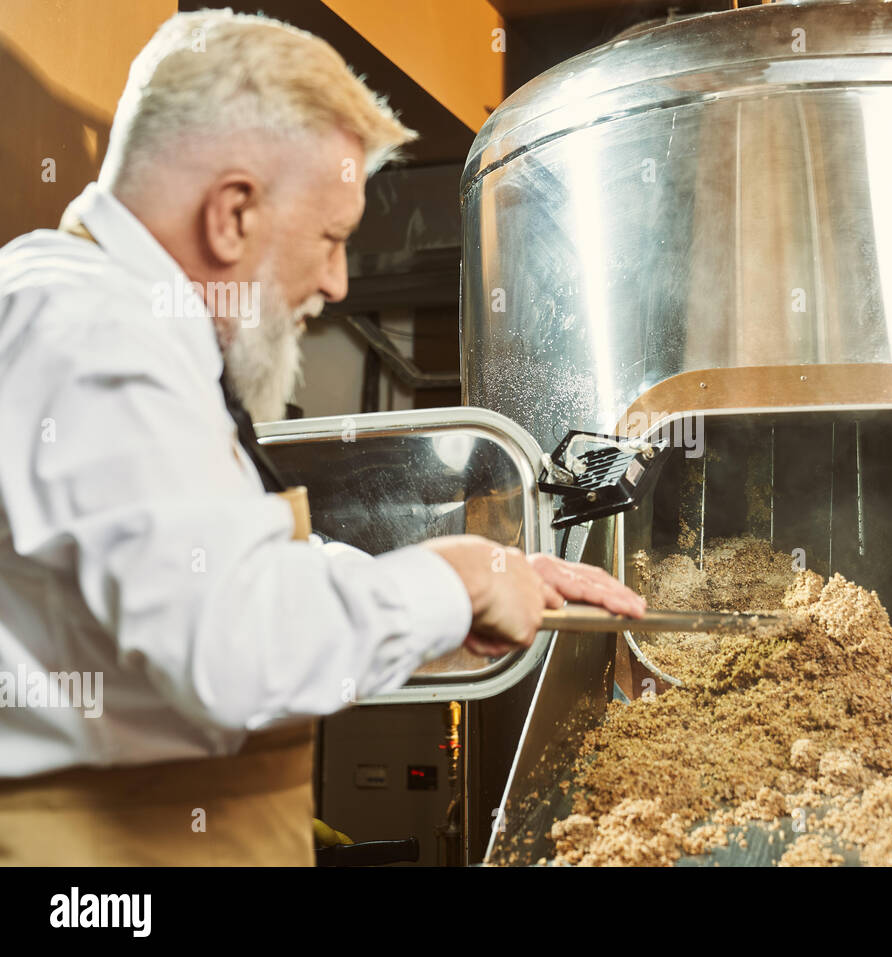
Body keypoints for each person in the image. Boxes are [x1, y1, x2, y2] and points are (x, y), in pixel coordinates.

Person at [0, 8, 644, 865]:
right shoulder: (87, 330)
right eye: (333, 237)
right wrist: (450, 582)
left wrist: (486, 582)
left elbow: (226, 573)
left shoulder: (131, 330)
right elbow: (228, 644)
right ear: (232, 212)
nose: (339, 282)